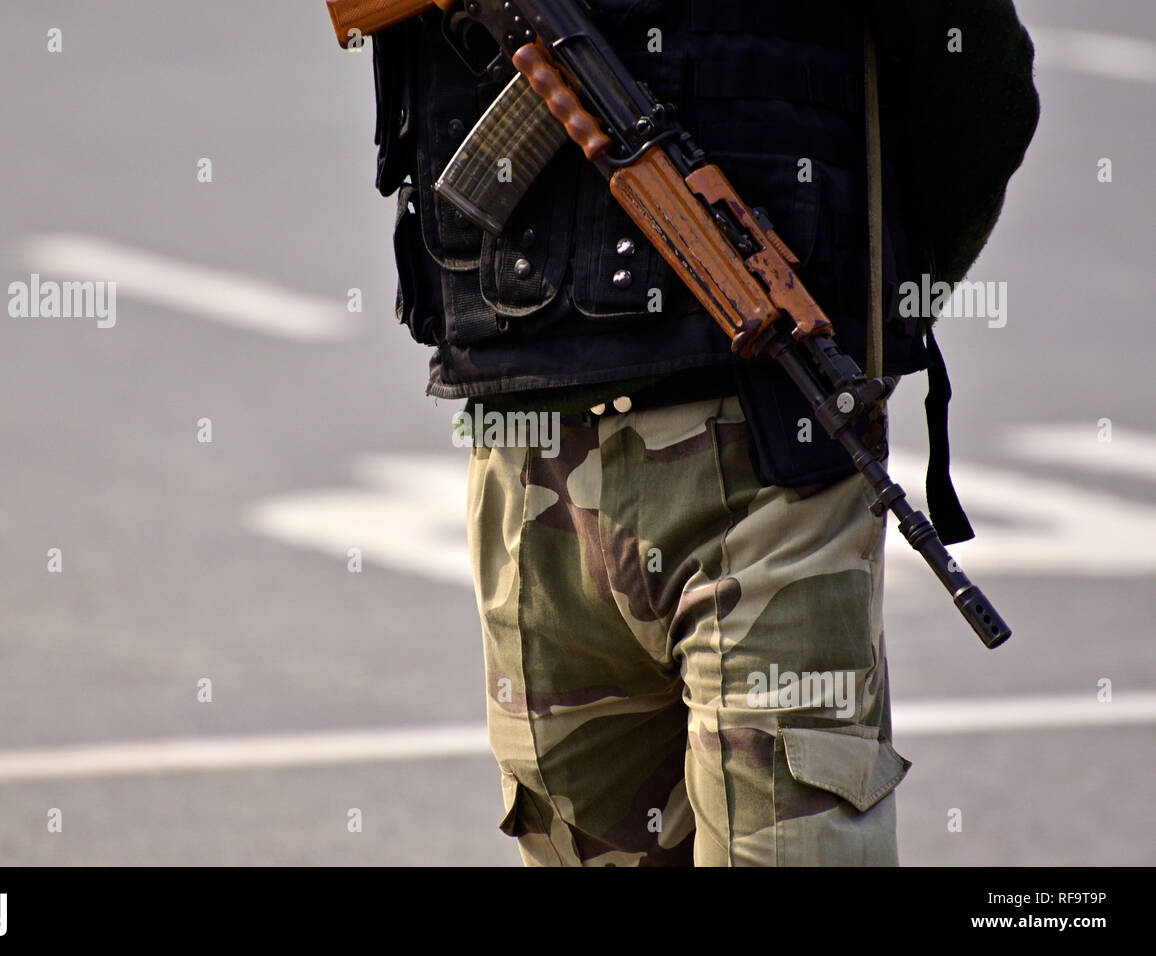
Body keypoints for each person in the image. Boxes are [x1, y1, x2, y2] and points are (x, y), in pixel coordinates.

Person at [366, 0, 1038, 865]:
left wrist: (857, 319)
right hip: (646, 444)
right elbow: (977, 87)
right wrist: (879, 308)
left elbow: (976, 82)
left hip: (682, 439)